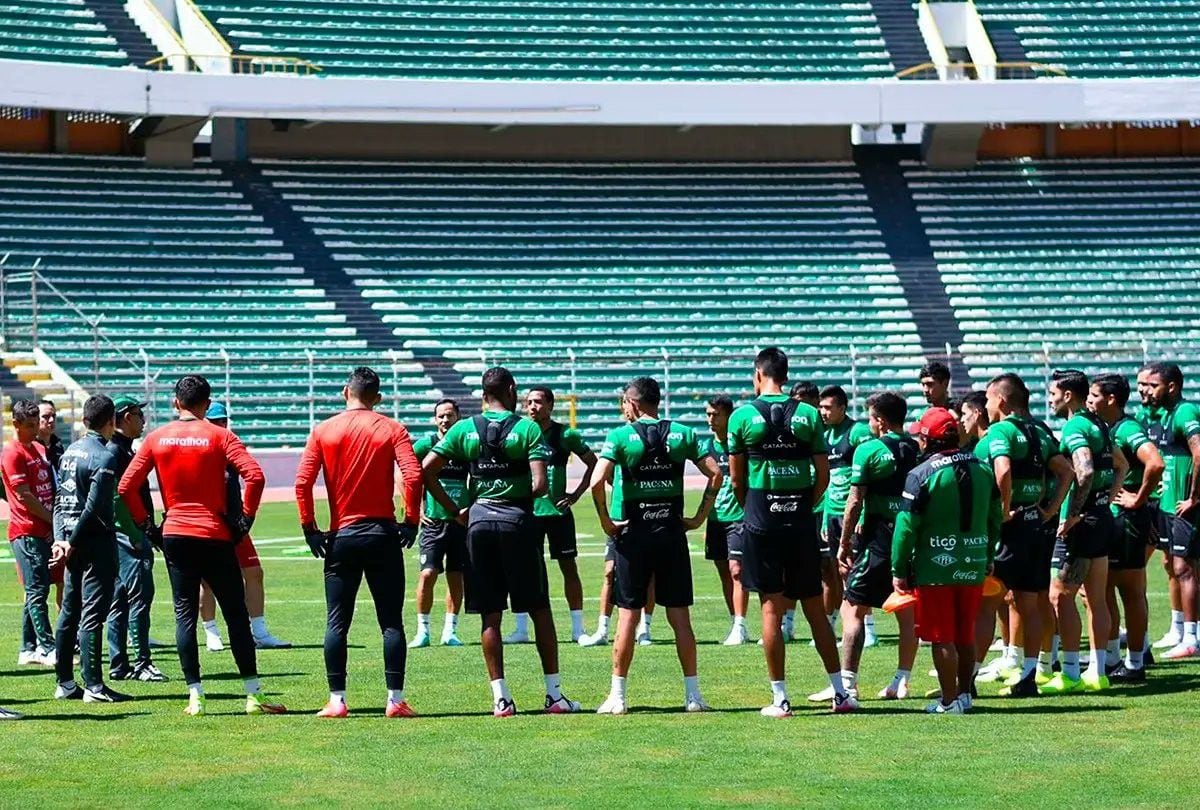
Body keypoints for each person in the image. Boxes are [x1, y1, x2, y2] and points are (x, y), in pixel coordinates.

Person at [118, 374, 284, 717]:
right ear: (207, 405)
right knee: (236, 614)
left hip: (176, 533)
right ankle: (252, 694)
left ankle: (195, 696)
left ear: (176, 402)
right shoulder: (221, 436)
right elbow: (255, 476)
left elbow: (126, 487)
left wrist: (148, 527)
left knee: (184, 615)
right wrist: (245, 521)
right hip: (215, 534)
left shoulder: (157, 438)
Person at [421, 366, 581, 717]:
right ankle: (554, 695)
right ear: (511, 389)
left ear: (483, 394)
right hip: (518, 523)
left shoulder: (465, 428)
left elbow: (425, 470)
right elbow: (540, 485)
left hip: (477, 524)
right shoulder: (527, 428)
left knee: (489, 616)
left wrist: (455, 509)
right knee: (539, 608)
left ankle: (501, 699)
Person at [295, 367, 423, 718]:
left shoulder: (324, 430)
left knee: (337, 620)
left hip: (343, 537)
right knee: (391, 622)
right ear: (377, 398)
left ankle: (337, 699)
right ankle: (395, 699)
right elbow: (412, 475)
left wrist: (310, 527)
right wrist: (410, 520)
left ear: (344, 391)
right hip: (382, 534)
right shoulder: (391, 428)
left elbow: (303, 483)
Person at [728, 348, 849, 717]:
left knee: (770, 606)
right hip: (799, 519)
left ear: (757, 374)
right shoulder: (811, 415)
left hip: (761, 518)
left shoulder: (742, 416)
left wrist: (753, 506)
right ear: (785, 373)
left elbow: (737, 478)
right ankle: (841, 694)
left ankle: (780, 699)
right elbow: (823, 475)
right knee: (814, 606)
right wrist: (804, 503)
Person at [590, 376, 719, 714]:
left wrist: (606, 522)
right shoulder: (683, 433)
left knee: (628, 617)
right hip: (671, 535)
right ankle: (693, 696)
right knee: (680, 618)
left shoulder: (620, 436)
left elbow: (595, 481)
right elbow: (716, 474)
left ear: (632, 403)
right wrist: (698, 517)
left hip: (633, 538)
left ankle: (617, 696)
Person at [892, 408, 1002, 714]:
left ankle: (949, 701)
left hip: (934, 566)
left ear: (927, 439)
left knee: (942, 636)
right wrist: (988, 554)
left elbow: (905, 528)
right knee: (965, 633)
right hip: (974, 560)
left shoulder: (921, 474)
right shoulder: (983, 468)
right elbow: (995, 518)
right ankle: (964, 695)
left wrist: (899, 570)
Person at [977, 373, 1072, 697]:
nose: (987, 405)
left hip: (1011, 527)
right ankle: (1029, 675)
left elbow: (1002, 470)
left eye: (989, 399)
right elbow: (1067, 471)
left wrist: (1002, 511)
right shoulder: (1040, 431)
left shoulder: (1002, 430)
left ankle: (968, 678)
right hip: (1037, 524)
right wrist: (1049, 508)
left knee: (987, 602)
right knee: (1029, 603)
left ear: (1001, 401)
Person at [1042, 370, 1127, 693]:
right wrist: (1107, 499)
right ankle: (1099, 670)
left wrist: (1073, 513)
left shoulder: (1077, 425)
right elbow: (1122, 465)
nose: (1049, 398)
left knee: (1059, 595)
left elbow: (1086, 470)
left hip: (1083, 523)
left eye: (1053, 393)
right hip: (1102, 517)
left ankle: (1072, 673)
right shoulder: (1100, 425)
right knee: (1096, 598)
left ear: (1067, 396)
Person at [832, 391, 920, 702]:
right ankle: (902, 679)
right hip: (910, 539)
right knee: (907, 611)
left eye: (871, 417)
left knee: (853, 607)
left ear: (880, 421)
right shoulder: (917, 447)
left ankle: (847, 684)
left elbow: (855, 501)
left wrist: (844, 544)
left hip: (878, 539)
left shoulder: (868, 450)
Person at [52, 394, 131, 703]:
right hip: (94, 541)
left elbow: (60, 499)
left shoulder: (70, 451)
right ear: (111, 421)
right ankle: (95, 686)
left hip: (71, 540)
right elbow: (95, 508)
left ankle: (65, 682)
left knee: (69, 611)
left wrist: (62, 538)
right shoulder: (105, 456)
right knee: (92, 614)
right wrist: (71, 541)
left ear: (85, 420)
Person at [507, 386, 596, 644]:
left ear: (551, 405)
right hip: (527, 513)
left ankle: (578, 629)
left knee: (569, 568)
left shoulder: (565, 434)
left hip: (558, 513)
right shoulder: (518, 432)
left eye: (538, 402)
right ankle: (522, 629)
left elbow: (593, 462)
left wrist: (577, 494)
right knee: (522, 570)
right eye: (528, 402)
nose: (532, 406)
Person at [1089, 373, 1164, 682]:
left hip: (1128, 519)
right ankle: (1112, 658)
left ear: (1110, 399)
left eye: (1094, 395)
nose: (1090, 401)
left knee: (1130, 592)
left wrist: (1137, 499)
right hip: (1113, 517)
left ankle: (1135, 663)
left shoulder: (1127, 428)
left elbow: (1155, 462)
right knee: (1103, 589)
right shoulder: (1106, 429)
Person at [199, 402, 289, 652]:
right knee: (208, 581)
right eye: (215, 421)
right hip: (211, 522)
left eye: (223, 421)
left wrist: (245, 516)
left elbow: (252, 476)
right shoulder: (201, 446)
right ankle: (211, 632)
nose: (221, 426)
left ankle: (259, 631)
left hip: (234, 523)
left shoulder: (230, 443)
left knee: (254, 572)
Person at [1142, 362, 1200, 659]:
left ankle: (1192, 637)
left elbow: (1199, 453)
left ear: (1172, 387)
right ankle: (1179, 629)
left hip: (1183, 506)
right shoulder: (1166, 414)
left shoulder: (1186, 412)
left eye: (1153, 386)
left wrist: (1194, 497)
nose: (1147, 391)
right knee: (1171, 565)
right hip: (1169, 504)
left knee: (1184, 567)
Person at [105, 395, 165, 682]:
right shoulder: (117, 453)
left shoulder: (121, 450)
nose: (143, 420)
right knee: (139, 598)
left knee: (119, 600)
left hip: (117, 536)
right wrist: (136, 534)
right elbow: (117, 499)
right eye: (139, 415)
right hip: (127, 537)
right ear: (126, 417)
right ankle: (142, 662)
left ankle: (119, 664)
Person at [410, 399, 469, 648]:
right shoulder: (426, 445)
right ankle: (422, 631)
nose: (445, 420)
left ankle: (450, 631)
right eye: (441, 416)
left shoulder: (465, 445)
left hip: (461, 522)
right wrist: (414, 507)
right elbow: (406, 473)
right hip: (434, 523)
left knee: (457, 576)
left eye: (450, 415)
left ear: (458, 417)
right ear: (435, 420)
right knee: (428, 573)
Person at [4, 399, 58, 666]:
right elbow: (24, 496)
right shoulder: (11, 453)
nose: (35, 429)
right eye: (29, 425)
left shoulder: (37, 447)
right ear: (15, 424)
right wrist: (51, 519)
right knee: (36, 590)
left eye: (37, 424)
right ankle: (48, 647)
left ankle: (28, 649)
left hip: (42, 529)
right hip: (26, 531)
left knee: (38, 589)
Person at [819, 385, 872, 643]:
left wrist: (862, 516)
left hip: (854, 513)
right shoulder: (824, 435)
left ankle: (868, 628)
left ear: (842, 407)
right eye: (821, 407)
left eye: (828, 407)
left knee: (857, 569)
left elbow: (869, 475)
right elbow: (829, 480)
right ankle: (850, 625)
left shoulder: (858, 432)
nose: (823, 412)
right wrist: (827, 515)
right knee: (840, 570)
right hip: (834, 514)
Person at [703, 395, 750, 646]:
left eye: (715, 414)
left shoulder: (739, 444)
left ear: (728, 416)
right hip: (716, 517)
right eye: (708, 414)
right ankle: (735, 622)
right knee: (723, 572)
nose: (711, 419)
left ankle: (741, 625)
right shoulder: (706, 447)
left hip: (738, 517)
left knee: (736, 570)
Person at [35, 399, 65, 473]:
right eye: (46, 416)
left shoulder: (58, 446)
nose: (51, 420)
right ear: (35, 419)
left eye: (53, 416)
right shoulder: (30, 447)